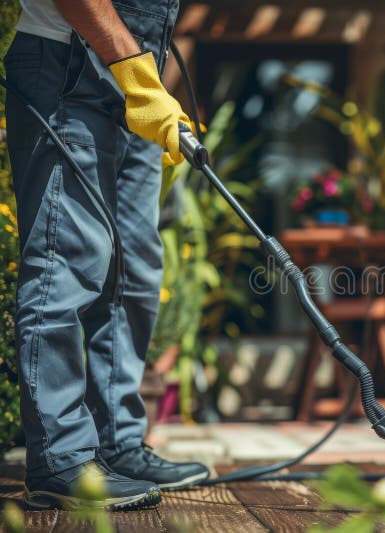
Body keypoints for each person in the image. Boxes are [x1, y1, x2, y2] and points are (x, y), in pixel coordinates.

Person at [4, 0, 210, 510]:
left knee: (133, 269)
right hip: (69, 65)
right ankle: (61, 459)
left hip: (135, 80)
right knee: (65, 261)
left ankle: (115, 442)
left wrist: (146, 84)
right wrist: (136, 73)